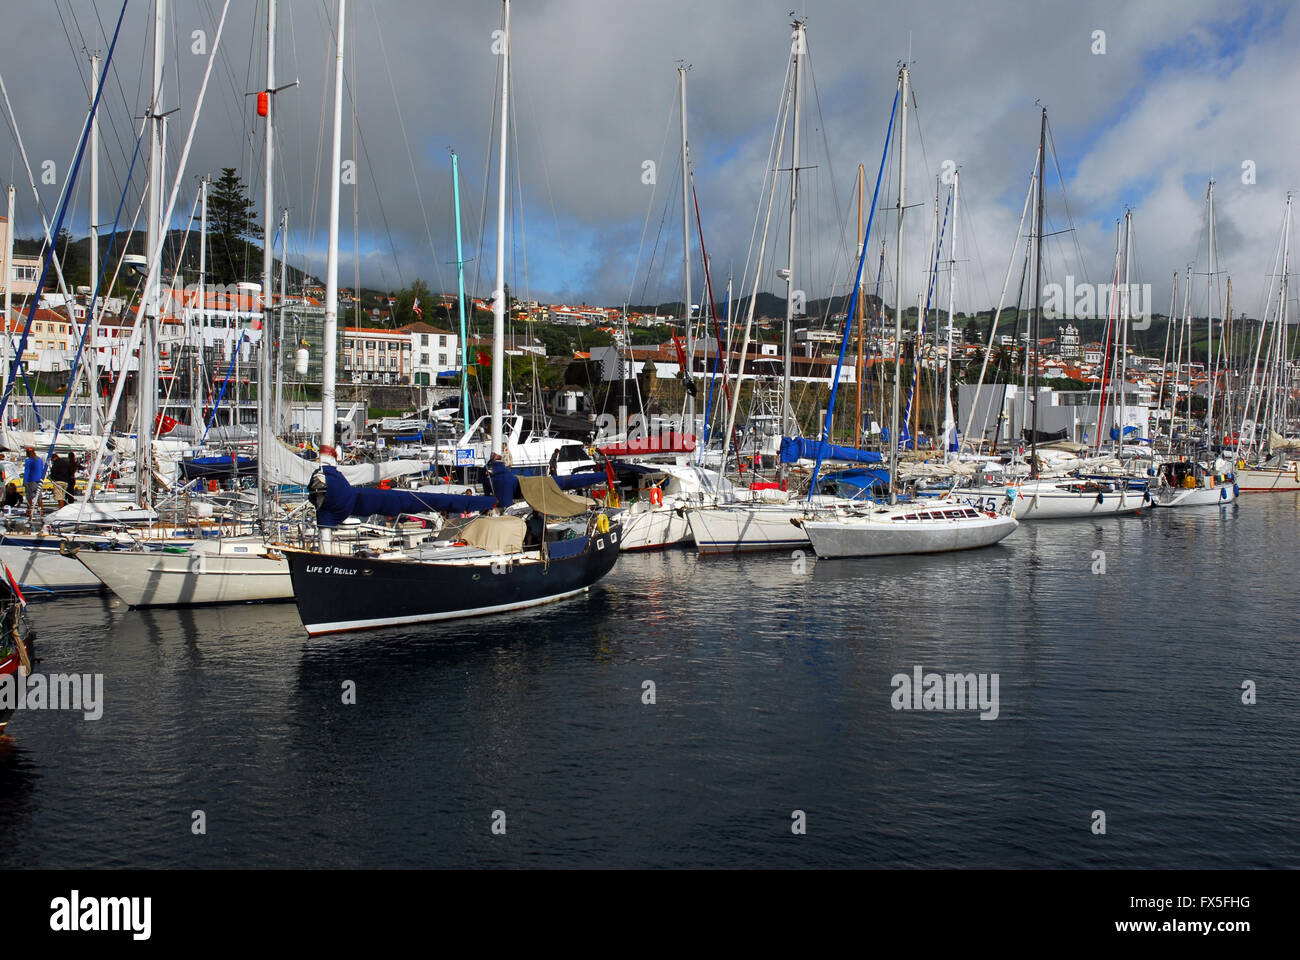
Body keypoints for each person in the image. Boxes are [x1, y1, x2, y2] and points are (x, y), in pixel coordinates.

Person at [22, 446, 45, 518]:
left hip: (31, 480)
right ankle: (41, 511)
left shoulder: (29, 460)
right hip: (39, 480)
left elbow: (27, 471)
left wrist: (24, 481)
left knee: (29, 496)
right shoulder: (39, 460)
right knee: (39, 496)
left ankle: (29, 511)